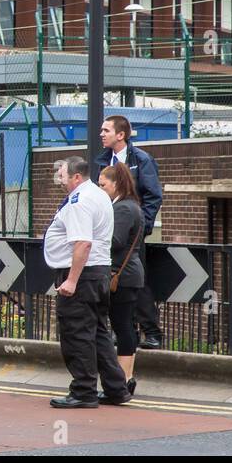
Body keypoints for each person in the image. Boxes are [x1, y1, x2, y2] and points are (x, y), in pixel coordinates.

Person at [44, 157, 131, 408]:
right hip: (98, 273)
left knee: (77, 333)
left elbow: (82, 242)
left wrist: (71, 280)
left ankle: (83, 391)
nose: (60, 180)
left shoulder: (80, 201)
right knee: (98, 333)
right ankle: (116, 388)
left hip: (82, 276)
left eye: (63, 175)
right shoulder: (98, 194)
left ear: (76, 177)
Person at [95, 115, 163, 349]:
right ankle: (125, 329)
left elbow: (153, 195)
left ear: (121, 135)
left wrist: (141, 228)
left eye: (106, 130)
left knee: (136, 280)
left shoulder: (141, 159)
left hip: (132, 232)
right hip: (111, 231)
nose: (101, 134)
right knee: (116, 280)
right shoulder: (103, 160)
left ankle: (151, 331)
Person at [98, 163, 145, 396]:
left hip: (121, 276)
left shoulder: (123, 209)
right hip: (128, 275)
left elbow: (115, 241)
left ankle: (124, 378)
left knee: (122, 326)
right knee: (124, 325)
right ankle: (127, 376)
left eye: (103, 185)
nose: (100, 189)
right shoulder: (130, 206)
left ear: (116, 184)